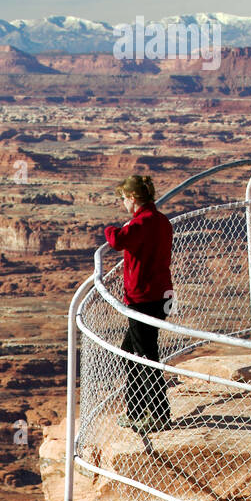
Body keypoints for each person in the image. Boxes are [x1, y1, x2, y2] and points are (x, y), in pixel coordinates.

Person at [104, 174, 174, 433]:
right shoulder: (161, 220)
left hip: (143, 299)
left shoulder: (142, 223)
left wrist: (109, 229)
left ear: (132, 198)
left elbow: (116, 240)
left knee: (145, 356)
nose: (122, 202)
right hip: (162, 295)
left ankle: (158, 414)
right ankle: (135, 410)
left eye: (123, 198)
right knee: (131, 352)